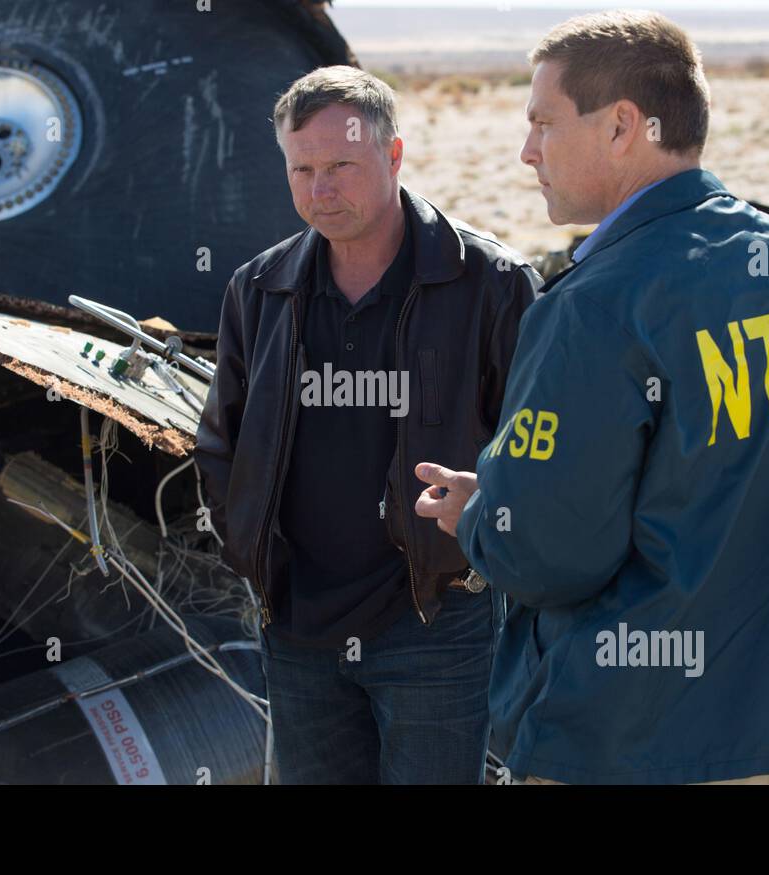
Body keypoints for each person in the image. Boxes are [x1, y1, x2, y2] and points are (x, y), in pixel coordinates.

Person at [414, 10, 769, 785]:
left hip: (620, 740)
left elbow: (548, 552)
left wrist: (485, 514)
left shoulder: (596, 304)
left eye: (543, 123)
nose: (527, 151)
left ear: (623, 126)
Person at [194, 66, 539, 784]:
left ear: (394, 154)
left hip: (436, 617)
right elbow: (221, 439)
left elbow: (542, 445)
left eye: (341, 166)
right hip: (297, 623)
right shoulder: (259, 289)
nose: (320, 190)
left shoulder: (491, 282)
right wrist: (250, 548)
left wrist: (486, 526)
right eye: (303, 169)